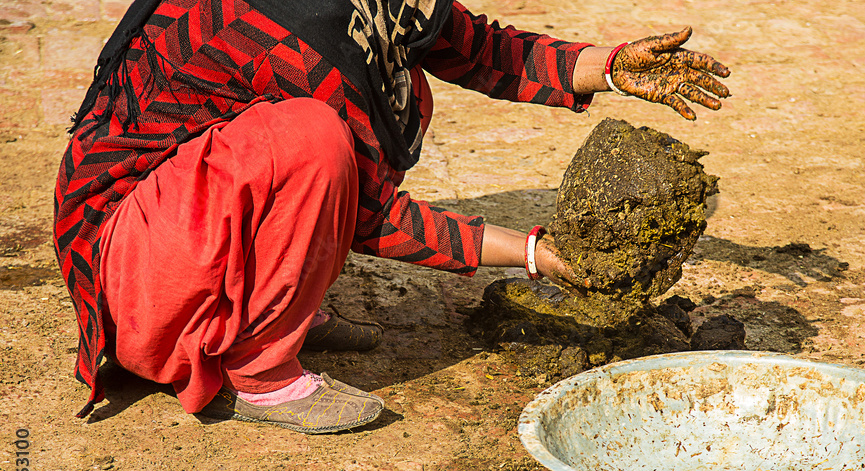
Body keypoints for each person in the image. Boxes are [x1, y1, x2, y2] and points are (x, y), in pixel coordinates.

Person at [54, 0, 730, 434]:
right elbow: (374, 215)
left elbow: (480, 50)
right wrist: (536, 254)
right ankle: (257, 369)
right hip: (134, 267)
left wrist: (609, 68)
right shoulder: (289, 22)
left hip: (186, 218)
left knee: (386, 96)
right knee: (316, 142)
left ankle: (266, 300)